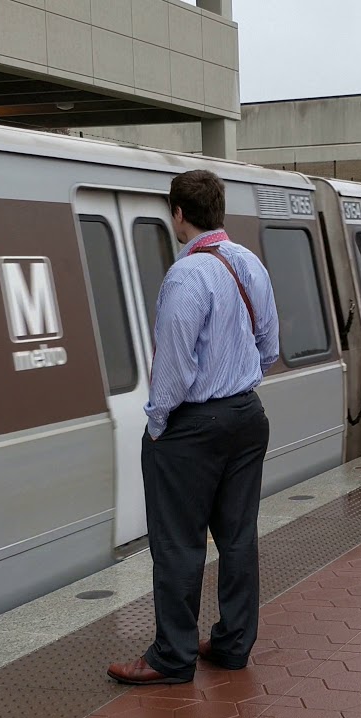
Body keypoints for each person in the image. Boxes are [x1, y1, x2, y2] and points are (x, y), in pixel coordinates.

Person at [107, 170, 279, 685]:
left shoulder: (185, 276)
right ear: (218, 210)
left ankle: (172, 657)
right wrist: (237, 386)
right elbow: (268, 346)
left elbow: (175, 369)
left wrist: (158, 424)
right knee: (238, 536)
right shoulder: (250, 264)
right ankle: (232, 645)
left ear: (178, 214)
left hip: (193, 427)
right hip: (247, 417)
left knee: (179, 543)